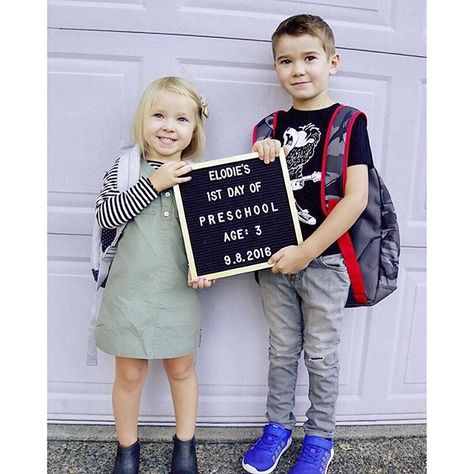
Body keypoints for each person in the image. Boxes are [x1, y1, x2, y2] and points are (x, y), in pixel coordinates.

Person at [242, 14, 374, 474]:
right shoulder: (267, 127)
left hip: (326, 261)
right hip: (274, 261)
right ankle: (277, 427)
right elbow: (249, 195)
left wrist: (308, 250)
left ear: (332, 62)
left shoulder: (349, 123)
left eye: (309, 58)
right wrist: (261, 153)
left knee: (320, 351)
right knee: (281, 348)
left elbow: (355, 199)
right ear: (276, 68)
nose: (297, 69)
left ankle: (320, 436)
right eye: (285, 60)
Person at [94, 76, 213, 474]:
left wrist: (206, 270)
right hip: (129, 293)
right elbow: (106, 217)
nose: (168, 126)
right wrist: (154, 182)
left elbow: (212, 238)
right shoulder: (126, 167)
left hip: (178, 293)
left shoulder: (202, 177)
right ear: (143, 119)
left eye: (181, 119)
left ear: (194, 129)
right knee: (129, 374)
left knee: (181, 370)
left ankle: (185, 449)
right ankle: (127, 451)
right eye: (158, 115)